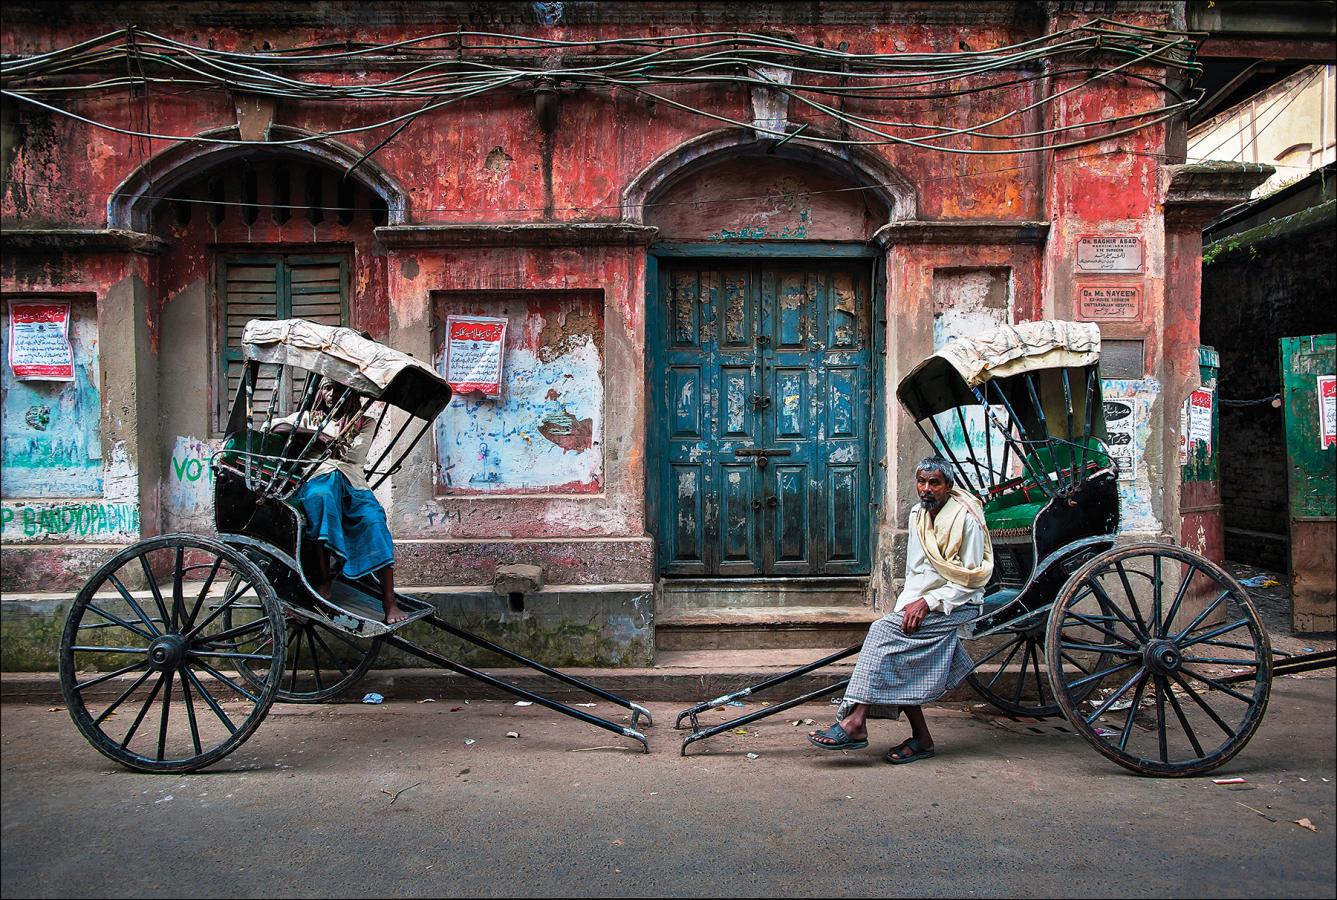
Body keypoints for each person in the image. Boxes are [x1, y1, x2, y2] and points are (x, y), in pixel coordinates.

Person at [808, 456, 993, 763]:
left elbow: (971, 581)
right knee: (897, 646)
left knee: (883, 633)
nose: (926, 488)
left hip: (959, 603)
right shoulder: (918, 514)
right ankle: (920, 739)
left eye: (934, 483)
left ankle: (855, 721)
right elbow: (915, 571)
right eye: (921, 481)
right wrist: (904, 608)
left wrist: (928, 603)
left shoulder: (966, 519)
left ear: (948, 486)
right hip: (923, 602)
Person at [271, 381, 406, 625]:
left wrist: (323, 443)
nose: (332, 394)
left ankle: (389, 600)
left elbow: (354, 455)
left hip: (353, 484)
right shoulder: (309, 418)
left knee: (375, 520)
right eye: (327, 388)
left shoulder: (364, 422)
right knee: (323, 501)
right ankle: (324, 581)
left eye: (339, 389)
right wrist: (317, 435)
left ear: (351, 392)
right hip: (319, 479)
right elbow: (273, 426)